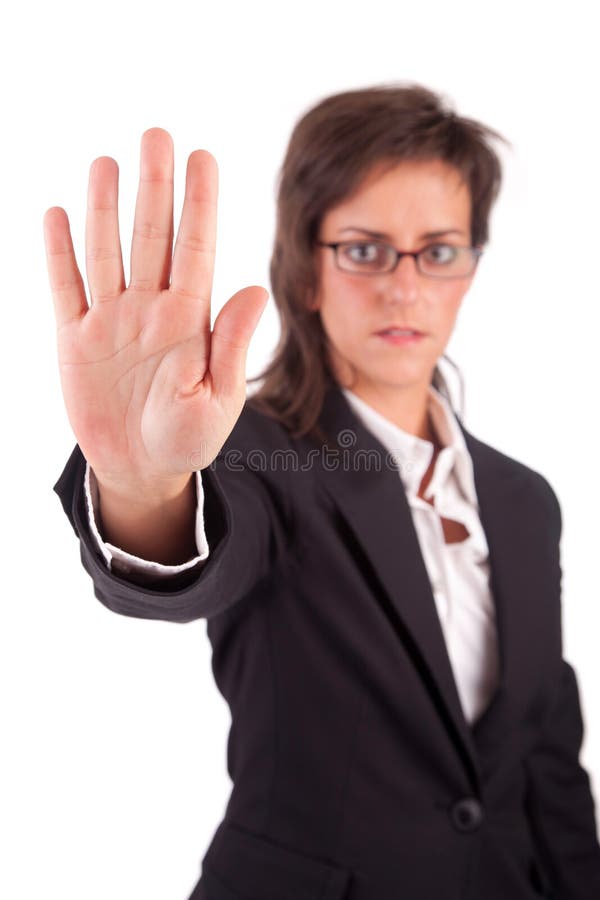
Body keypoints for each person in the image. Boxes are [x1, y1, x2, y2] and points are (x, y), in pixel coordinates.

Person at [45, 84, 600, 900]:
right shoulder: (256, 455)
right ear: (306, 271)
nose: (405, 286)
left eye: (439, 250)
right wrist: (143, 484)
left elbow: (548, 759)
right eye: (365, 249)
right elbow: (203, 549)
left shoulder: (524, 501)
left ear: (471, 269)